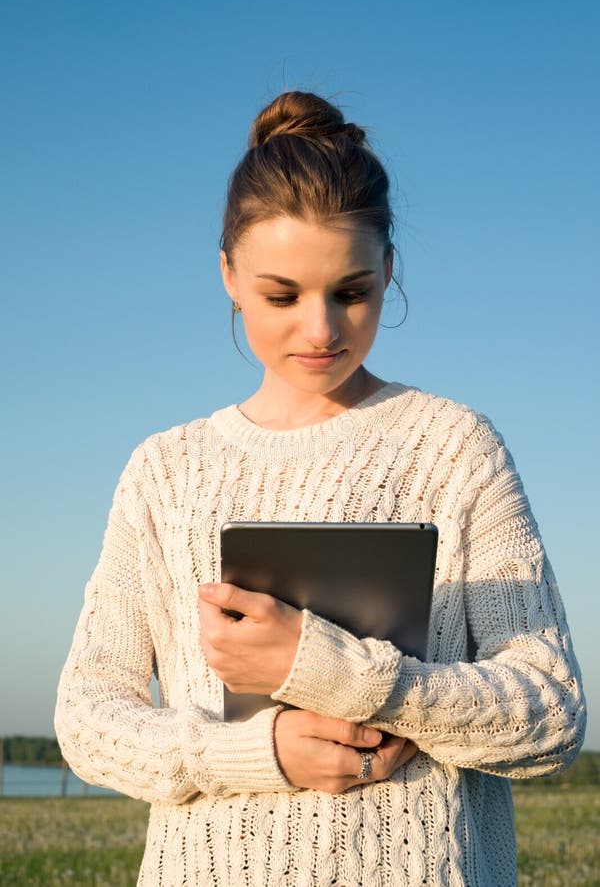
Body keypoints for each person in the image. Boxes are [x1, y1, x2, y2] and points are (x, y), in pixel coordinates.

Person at [55, 90, 586, 887]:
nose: (321, 330)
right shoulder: (163, 471)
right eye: (282, 295)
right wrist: (257, 751)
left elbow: (550, 713)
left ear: (389, 270)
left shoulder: (455, 448)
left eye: (352, 291)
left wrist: (340, 674)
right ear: (228, 276)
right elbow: (89, 721)